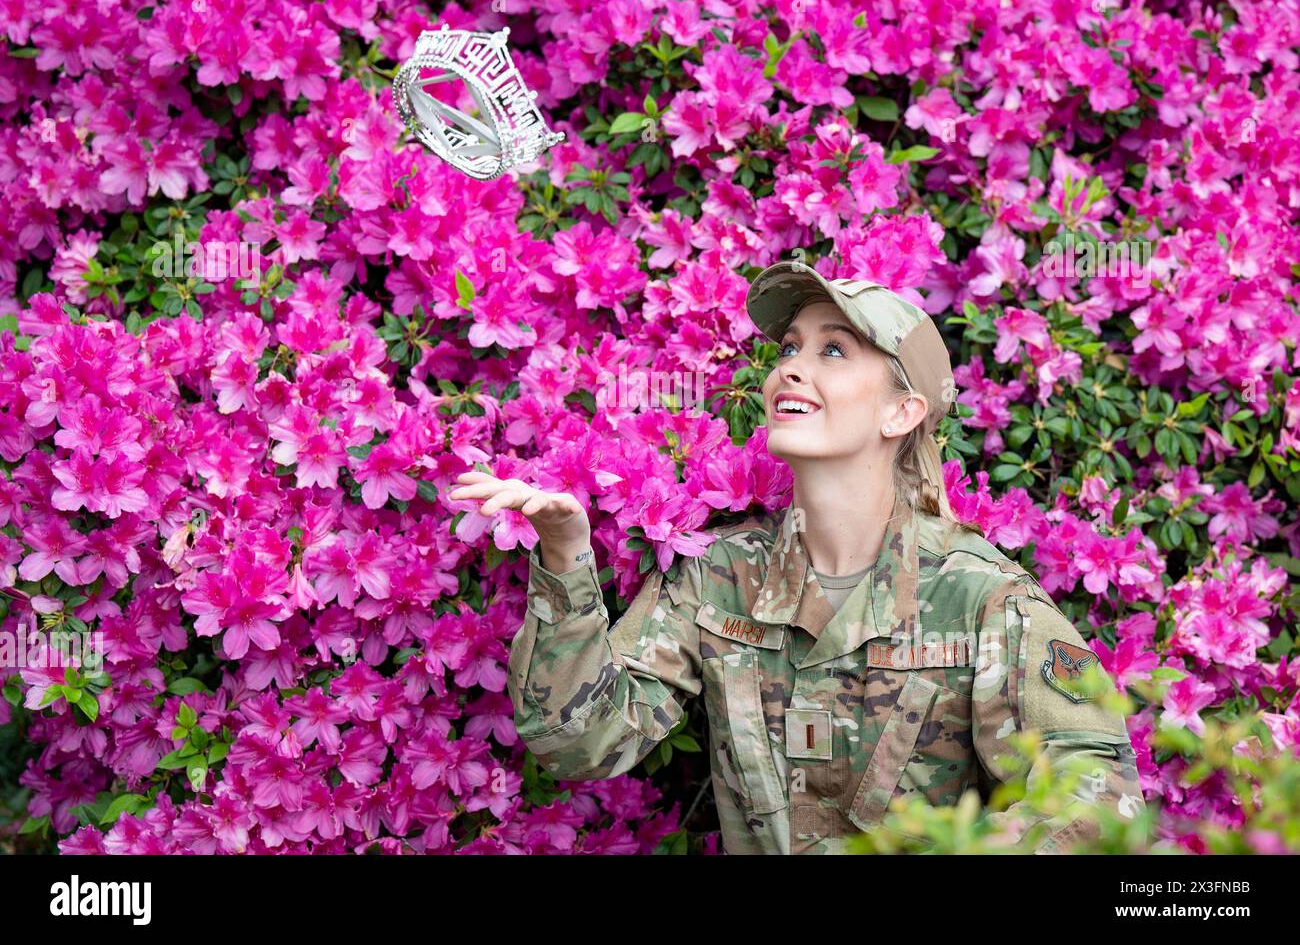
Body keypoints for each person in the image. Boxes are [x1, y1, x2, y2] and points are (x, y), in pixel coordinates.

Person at [450, 260, 1147, 855]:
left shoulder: (983, 599)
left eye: (833, 350)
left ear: (902, 411)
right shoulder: (721, 576)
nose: (790, 368)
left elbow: (1097, 795)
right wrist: (566, 558)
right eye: (789, 347)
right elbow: (581, 743)